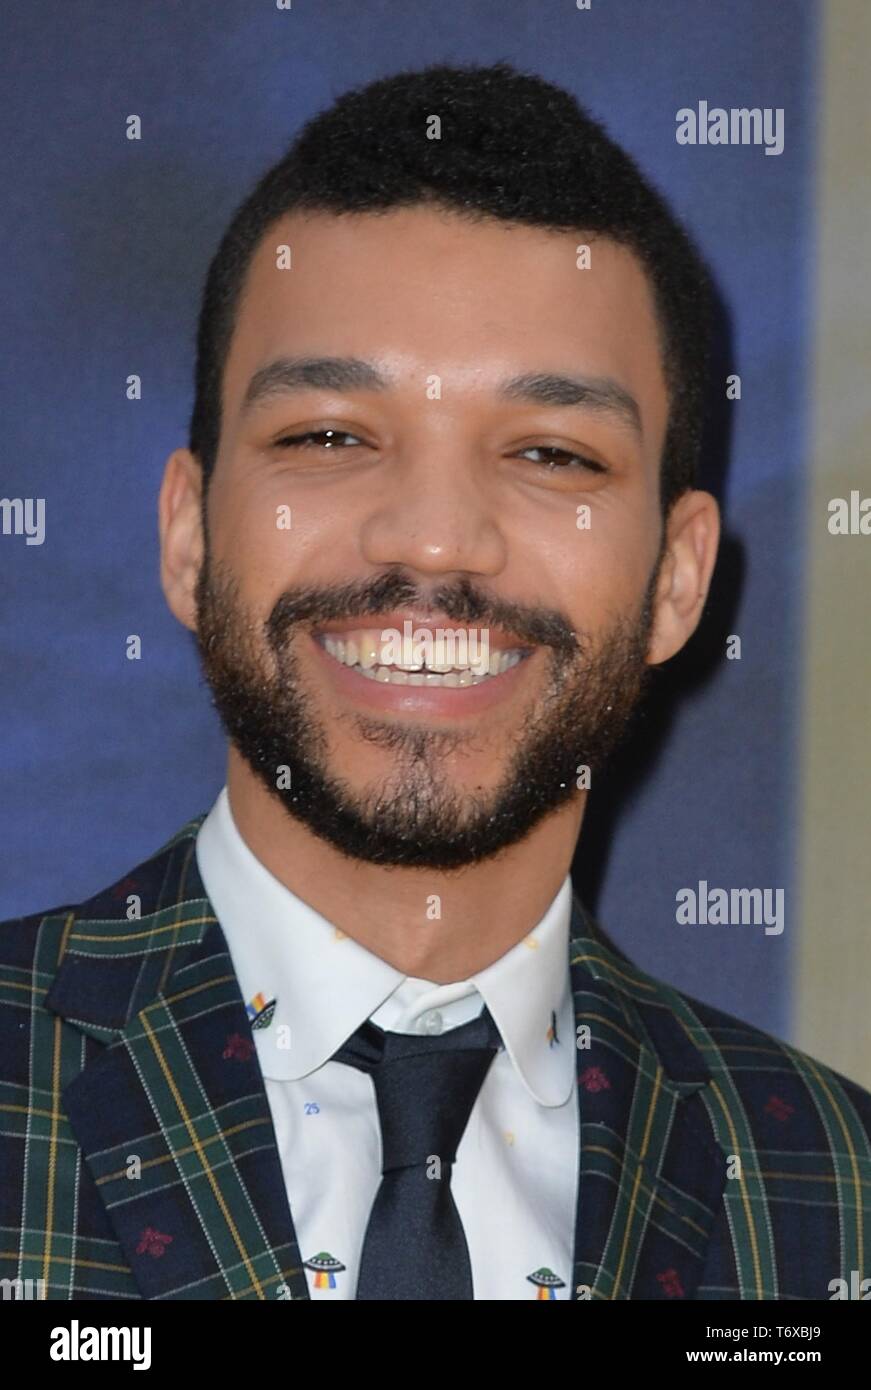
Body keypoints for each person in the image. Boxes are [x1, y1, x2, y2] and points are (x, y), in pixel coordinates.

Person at [2, 62, 869, 1303]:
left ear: (678, 579)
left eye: (551, 452)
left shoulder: (835, 1196)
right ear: (189, 535)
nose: (432, 538)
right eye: (331, 436)